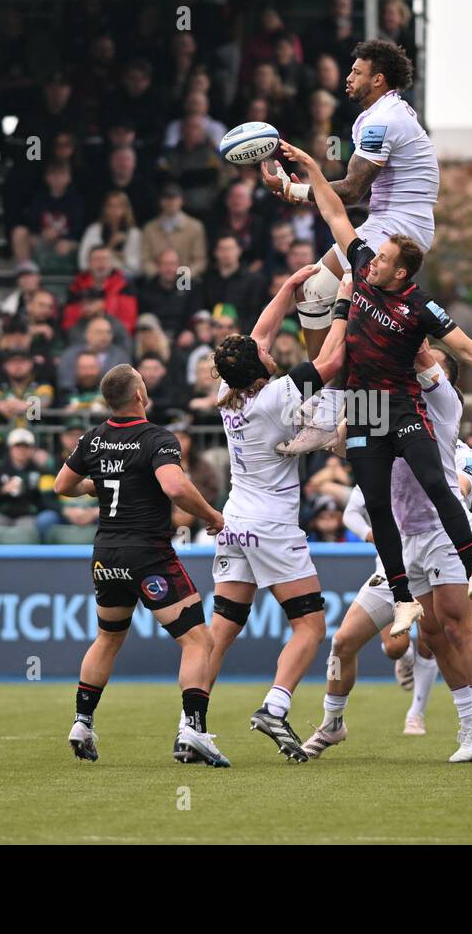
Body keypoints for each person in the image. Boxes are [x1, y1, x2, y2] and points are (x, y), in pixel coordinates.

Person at [272, 138, 472, 646]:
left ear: (401, 272)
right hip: (364, 408)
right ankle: (401, 599)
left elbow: (470, 348)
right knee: (377, 507)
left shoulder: (421, 308)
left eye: (383, 258)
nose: (370, 262)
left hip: (399, 404)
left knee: (438, 486)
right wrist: (307, 166)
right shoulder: (365, 270)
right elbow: (334, 211)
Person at [306, 346, 472, 763]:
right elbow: (341, 446)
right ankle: (333, 722)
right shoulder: (388, 415)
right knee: (353, 641)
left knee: (459, 634)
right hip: (402, 549)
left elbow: (458, 489)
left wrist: (379, 317)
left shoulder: (449, 425)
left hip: (446, 537)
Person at [262, 41, 439, 454]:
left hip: (398, 226)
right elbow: (356, 197)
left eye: (357, 72)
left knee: (349, 309)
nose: (348, 78)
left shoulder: (383, 121)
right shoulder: (383, 115)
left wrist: (291, 187)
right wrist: (301, 188)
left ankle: (331, 410)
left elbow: (352, 190)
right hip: (389, 221)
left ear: (378, 79)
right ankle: (336, 407)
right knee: (317, 292)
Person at [203, 264, 348, 761]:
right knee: (310, 626)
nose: (269, 345)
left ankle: (190, 724)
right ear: (261, 368)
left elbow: (259, 337)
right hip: (271, 525)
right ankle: (275, 706)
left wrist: (287, 287)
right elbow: (330, 361)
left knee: (221, 628)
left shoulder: (227, 395)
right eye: (265, 352)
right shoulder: (275, 397)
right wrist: (345, 305)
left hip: (235, 522)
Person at [52, 363, 229, 767]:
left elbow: (62, 485)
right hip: (147, 554)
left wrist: (97, 483)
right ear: (139, 395)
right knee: (198, 640)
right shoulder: (157, 438)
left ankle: (82, 722)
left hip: (106, 553)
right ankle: (194, 730)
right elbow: (173, 486)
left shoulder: (93, 439)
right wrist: (211, 516)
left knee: (108, 638)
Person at [0, 427, 59, 542]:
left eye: (26, 447)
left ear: (32, 450)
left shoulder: (40, 471)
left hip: (28, 515)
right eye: (18, 447)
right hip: (2, 513)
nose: (21, 451)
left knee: (31, 530)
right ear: (10, 448)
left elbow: (46, 499)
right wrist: (3, 490)